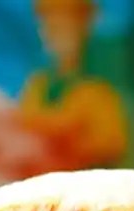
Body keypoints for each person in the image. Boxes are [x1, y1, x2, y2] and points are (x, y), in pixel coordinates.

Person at [19, 0, 128, 170]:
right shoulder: (37, 86)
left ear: (82, 31)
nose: (56, 38)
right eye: (50, 28)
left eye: (64, 29)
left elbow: (108, 151)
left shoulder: (97, 94)